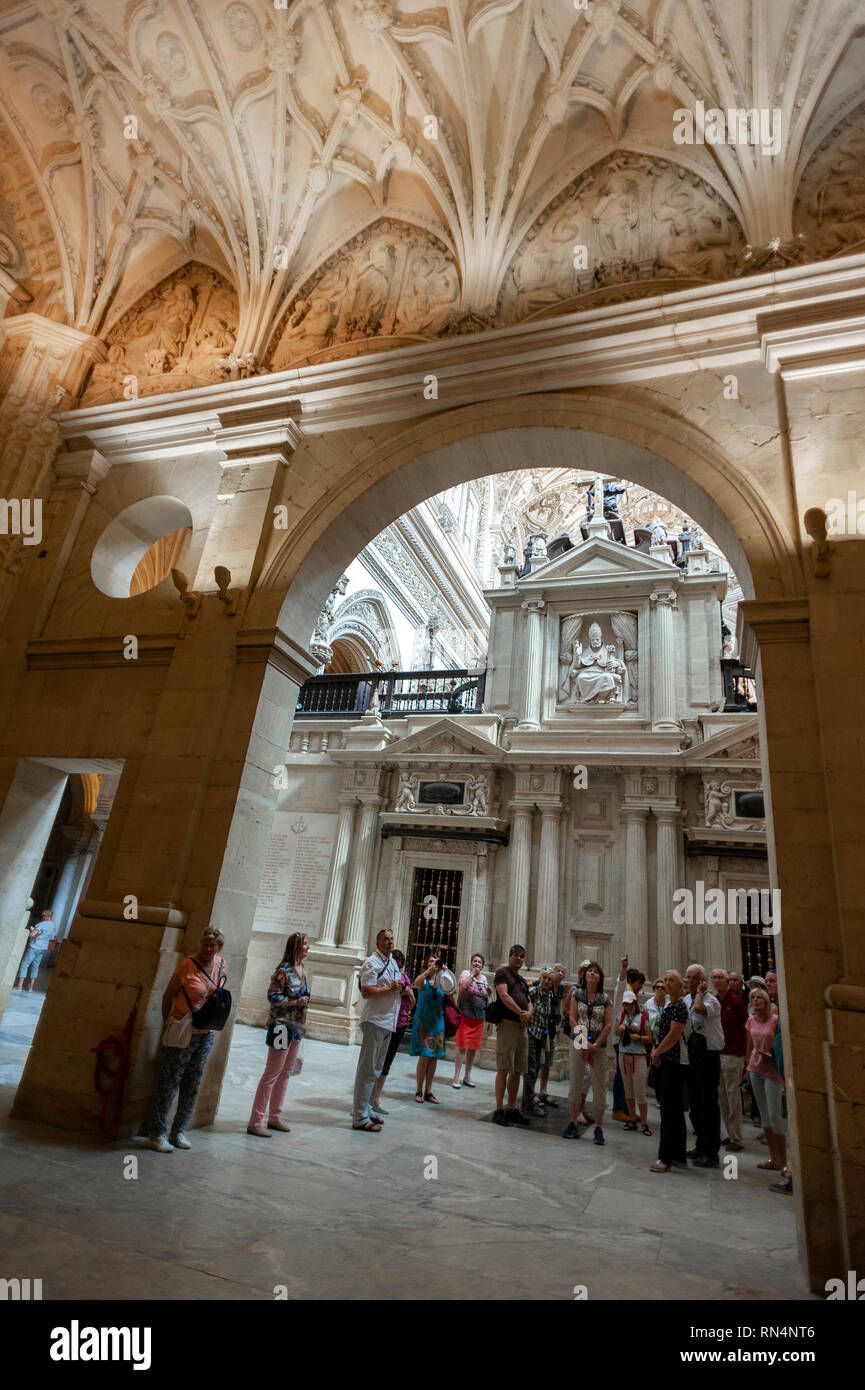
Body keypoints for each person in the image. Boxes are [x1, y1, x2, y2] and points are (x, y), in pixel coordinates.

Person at [146, 926, 227, 1152]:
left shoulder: (222, 965)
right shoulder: (187, 965)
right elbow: (167, 996)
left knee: (192, 1083)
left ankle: (178, 1130)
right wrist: (167, 1023)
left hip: (206, 1034)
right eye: (205, 944)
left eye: (212, 945)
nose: (208, 949)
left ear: (219, 947)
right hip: (184, 1031)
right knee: (169, 1081)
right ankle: (157, 1132)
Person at [247, 932, 310, 1137]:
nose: (308, 947)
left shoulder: (302, 969)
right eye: (306, 944)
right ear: (297, 947)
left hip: (296, 1029)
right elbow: (273, 996)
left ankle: (275, 1117)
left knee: (285, 1074)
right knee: (272, 1073)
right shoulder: (284, 970)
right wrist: (294, 1003)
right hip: (282, 1027)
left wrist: (303, 1023)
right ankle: (256, 1121)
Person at [352, 928, 404, 1132]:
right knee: (366, 1071)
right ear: (378, 943)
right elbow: (366, 991)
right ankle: (359, 1118)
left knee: (376, 1069)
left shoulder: (391, 962)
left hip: (388, 1022)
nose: (390, 942)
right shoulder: (372, 963)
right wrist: (389, 988)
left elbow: (392, 985)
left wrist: (400, 988)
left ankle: (368, 1109)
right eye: (385, 939)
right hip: (374, 1021)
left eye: (391, 938)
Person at [563, 961, 613, 1145]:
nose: (592, 974)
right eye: (589, 971)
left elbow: (608, 1025)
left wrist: (595, 1044)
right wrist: (583, 1041)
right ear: (585, 976)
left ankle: (599, 1127)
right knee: (575, 1082)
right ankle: (573, 1121)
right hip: (579, 1041)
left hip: (598, 1045)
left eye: (596, 972)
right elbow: (572, 1019)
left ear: (600, 977)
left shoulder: (606, 999)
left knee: (599, 1085)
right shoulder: (577, 994)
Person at [649, 969, 689, 1173]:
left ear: (680, 985)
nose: (666, 983)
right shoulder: (670, 1005)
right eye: (665, 980)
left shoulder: (679, 1006)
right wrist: (656, 1048)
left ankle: (665, 1158)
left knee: (668, 1111)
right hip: (666, 1060)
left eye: (671, 980)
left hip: (674, 1063)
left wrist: (657, 1052)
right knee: (674, 1111)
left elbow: (674, 1035)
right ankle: (679, 1155)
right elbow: (661, 1031)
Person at [684, 962, 724, 1168]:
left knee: (709, 1104)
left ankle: (712, 1153)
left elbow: (700, 1010)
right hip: (693, 1054)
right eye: (688, 978)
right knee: (695, 1104)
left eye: (694, 978)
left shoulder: (711, 1000)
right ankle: (700, 1144)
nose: (689, 982)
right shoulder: (686, 999)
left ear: (702, 982)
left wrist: (699, 992)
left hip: (708, 1055)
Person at [746, 987, 787, 1175]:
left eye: (759, 997)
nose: (756, 1000)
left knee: (774, 1115)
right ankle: (773, 1157)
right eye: (753, 997)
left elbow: (782, 1043)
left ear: (766, 1000)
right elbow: (749, 1047)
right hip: (755, 1069)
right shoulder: (751, 1020)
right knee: (764, 1115)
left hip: (772, 1070)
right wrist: (746, 1067)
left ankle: (784, 1161)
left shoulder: (776, 1020)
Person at [492, 945, 533, 1127]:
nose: (519, 959)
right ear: (510, 957)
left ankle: (510, 1108)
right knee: (503, 1068)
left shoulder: (522, 980)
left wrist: (528, 1014)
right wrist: (520, 1012)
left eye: (522, 957)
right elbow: (504, 996)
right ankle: (499, 1109)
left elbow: (530, 1001)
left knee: (517, 1070)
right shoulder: (502, 973)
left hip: (521, 1028)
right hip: (508, 1025)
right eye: (516, 956)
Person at [712, 967, 748, 1152]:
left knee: (733, 1096)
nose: (716, 981)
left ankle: (737, 1137)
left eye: (720, 978)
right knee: (722, 1097)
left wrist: (747, 1056)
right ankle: (727, 1134)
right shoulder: (715, 1001)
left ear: (727, 982)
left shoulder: (736, 1002)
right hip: (719, 1053)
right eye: (714, 978)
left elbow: (746, 1028)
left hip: (734, 1054)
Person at [373, 949, 414, 1112]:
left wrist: (409, 993)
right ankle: (366, 1099)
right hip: (384, 1022)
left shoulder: (405, 979)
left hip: (400, 1024)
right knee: (375, 1062)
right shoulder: (386, 977)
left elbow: (412, 1004)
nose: (397, 965)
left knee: (386, 1063)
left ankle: (375, 1099)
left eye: (400, 963)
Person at [612, 955, 646, 1121]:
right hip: (620, 1041)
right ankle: (618, 1108)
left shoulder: (635, 999)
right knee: (621, 1075)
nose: (641, 987)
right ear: (631, 981)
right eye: (639, 983)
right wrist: (624, 967)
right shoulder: (623, 992)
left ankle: (628, 1109)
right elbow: (620, 983)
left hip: (630, 1042)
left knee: (627, 1076)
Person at [411, 952, 447, 1103]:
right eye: (430, 961)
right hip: (423, 1023)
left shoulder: (442, 981)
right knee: (425, 1056)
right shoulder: (423, 979)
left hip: (437, 1022)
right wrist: (429, 971)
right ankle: (419, 1090)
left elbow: (453, 990)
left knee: (434, 1058)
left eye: (436, 962)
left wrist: (445, 973)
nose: (434, 964)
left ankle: (428, 1091)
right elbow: (415, 984)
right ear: (427, 964)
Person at [616, 989, 652, 1134]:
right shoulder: (622, 1015)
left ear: (635, 1003)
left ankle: (644, 1122)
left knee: (640, 1091)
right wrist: (620, 1028)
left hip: (638, 1055)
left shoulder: (643, 1018)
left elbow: (650, 1038)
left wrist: (639, 1038)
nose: (627, 1007)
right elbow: (616, 1032)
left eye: (630, 1004)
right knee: (628, 1090)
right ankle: (632, 1119)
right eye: (625, 1004)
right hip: (624, 1055)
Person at [523, 967, 556, 1116]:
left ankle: (528, 1100)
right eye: (545, 978)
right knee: (531, 1069)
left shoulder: (549, 994)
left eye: (550, 979)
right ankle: (529, 1103)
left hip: (541, 1036)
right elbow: (523, 998)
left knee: (536, 1069)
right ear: (540, 978)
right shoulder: (534, 991)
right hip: (531, 1033)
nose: (547, 981)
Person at [453, 953, 489, 1088]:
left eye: (480, 962)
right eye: (475, 961)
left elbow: (485, 995)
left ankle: (467, 1076)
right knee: (461, 1047)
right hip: (465, 1016)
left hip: (478, 1018)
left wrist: (488, 991)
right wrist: (473, 975)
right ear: (471, 963)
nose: (477, 964)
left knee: (473, 1049)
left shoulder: (484, 978)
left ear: (483, 966)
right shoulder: (465, 973)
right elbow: (463, 987)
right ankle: (456, 1077)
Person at [537, 962, 566, 1106]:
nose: (560, 973)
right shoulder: (544, 983)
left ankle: (543, 1091)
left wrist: (558, 1020)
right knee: (539, 1061)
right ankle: (532, 1092)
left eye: (562, 972)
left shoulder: (560, 989)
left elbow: (558, 1004)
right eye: (558, 971)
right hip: (540, 1027)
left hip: (552, 1029)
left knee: (548, 1062)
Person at [14, 909, 56, 991]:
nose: (42, 917)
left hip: (35, 946)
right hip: (43, 948)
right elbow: (52, 937)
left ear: (46, 916)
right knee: (35, 966)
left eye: (43, 916)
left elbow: (32, 935)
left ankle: (19, 986)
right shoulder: (53, 925)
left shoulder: (41, 924)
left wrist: (33, 933)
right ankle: (30, 987)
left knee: (25, 964)